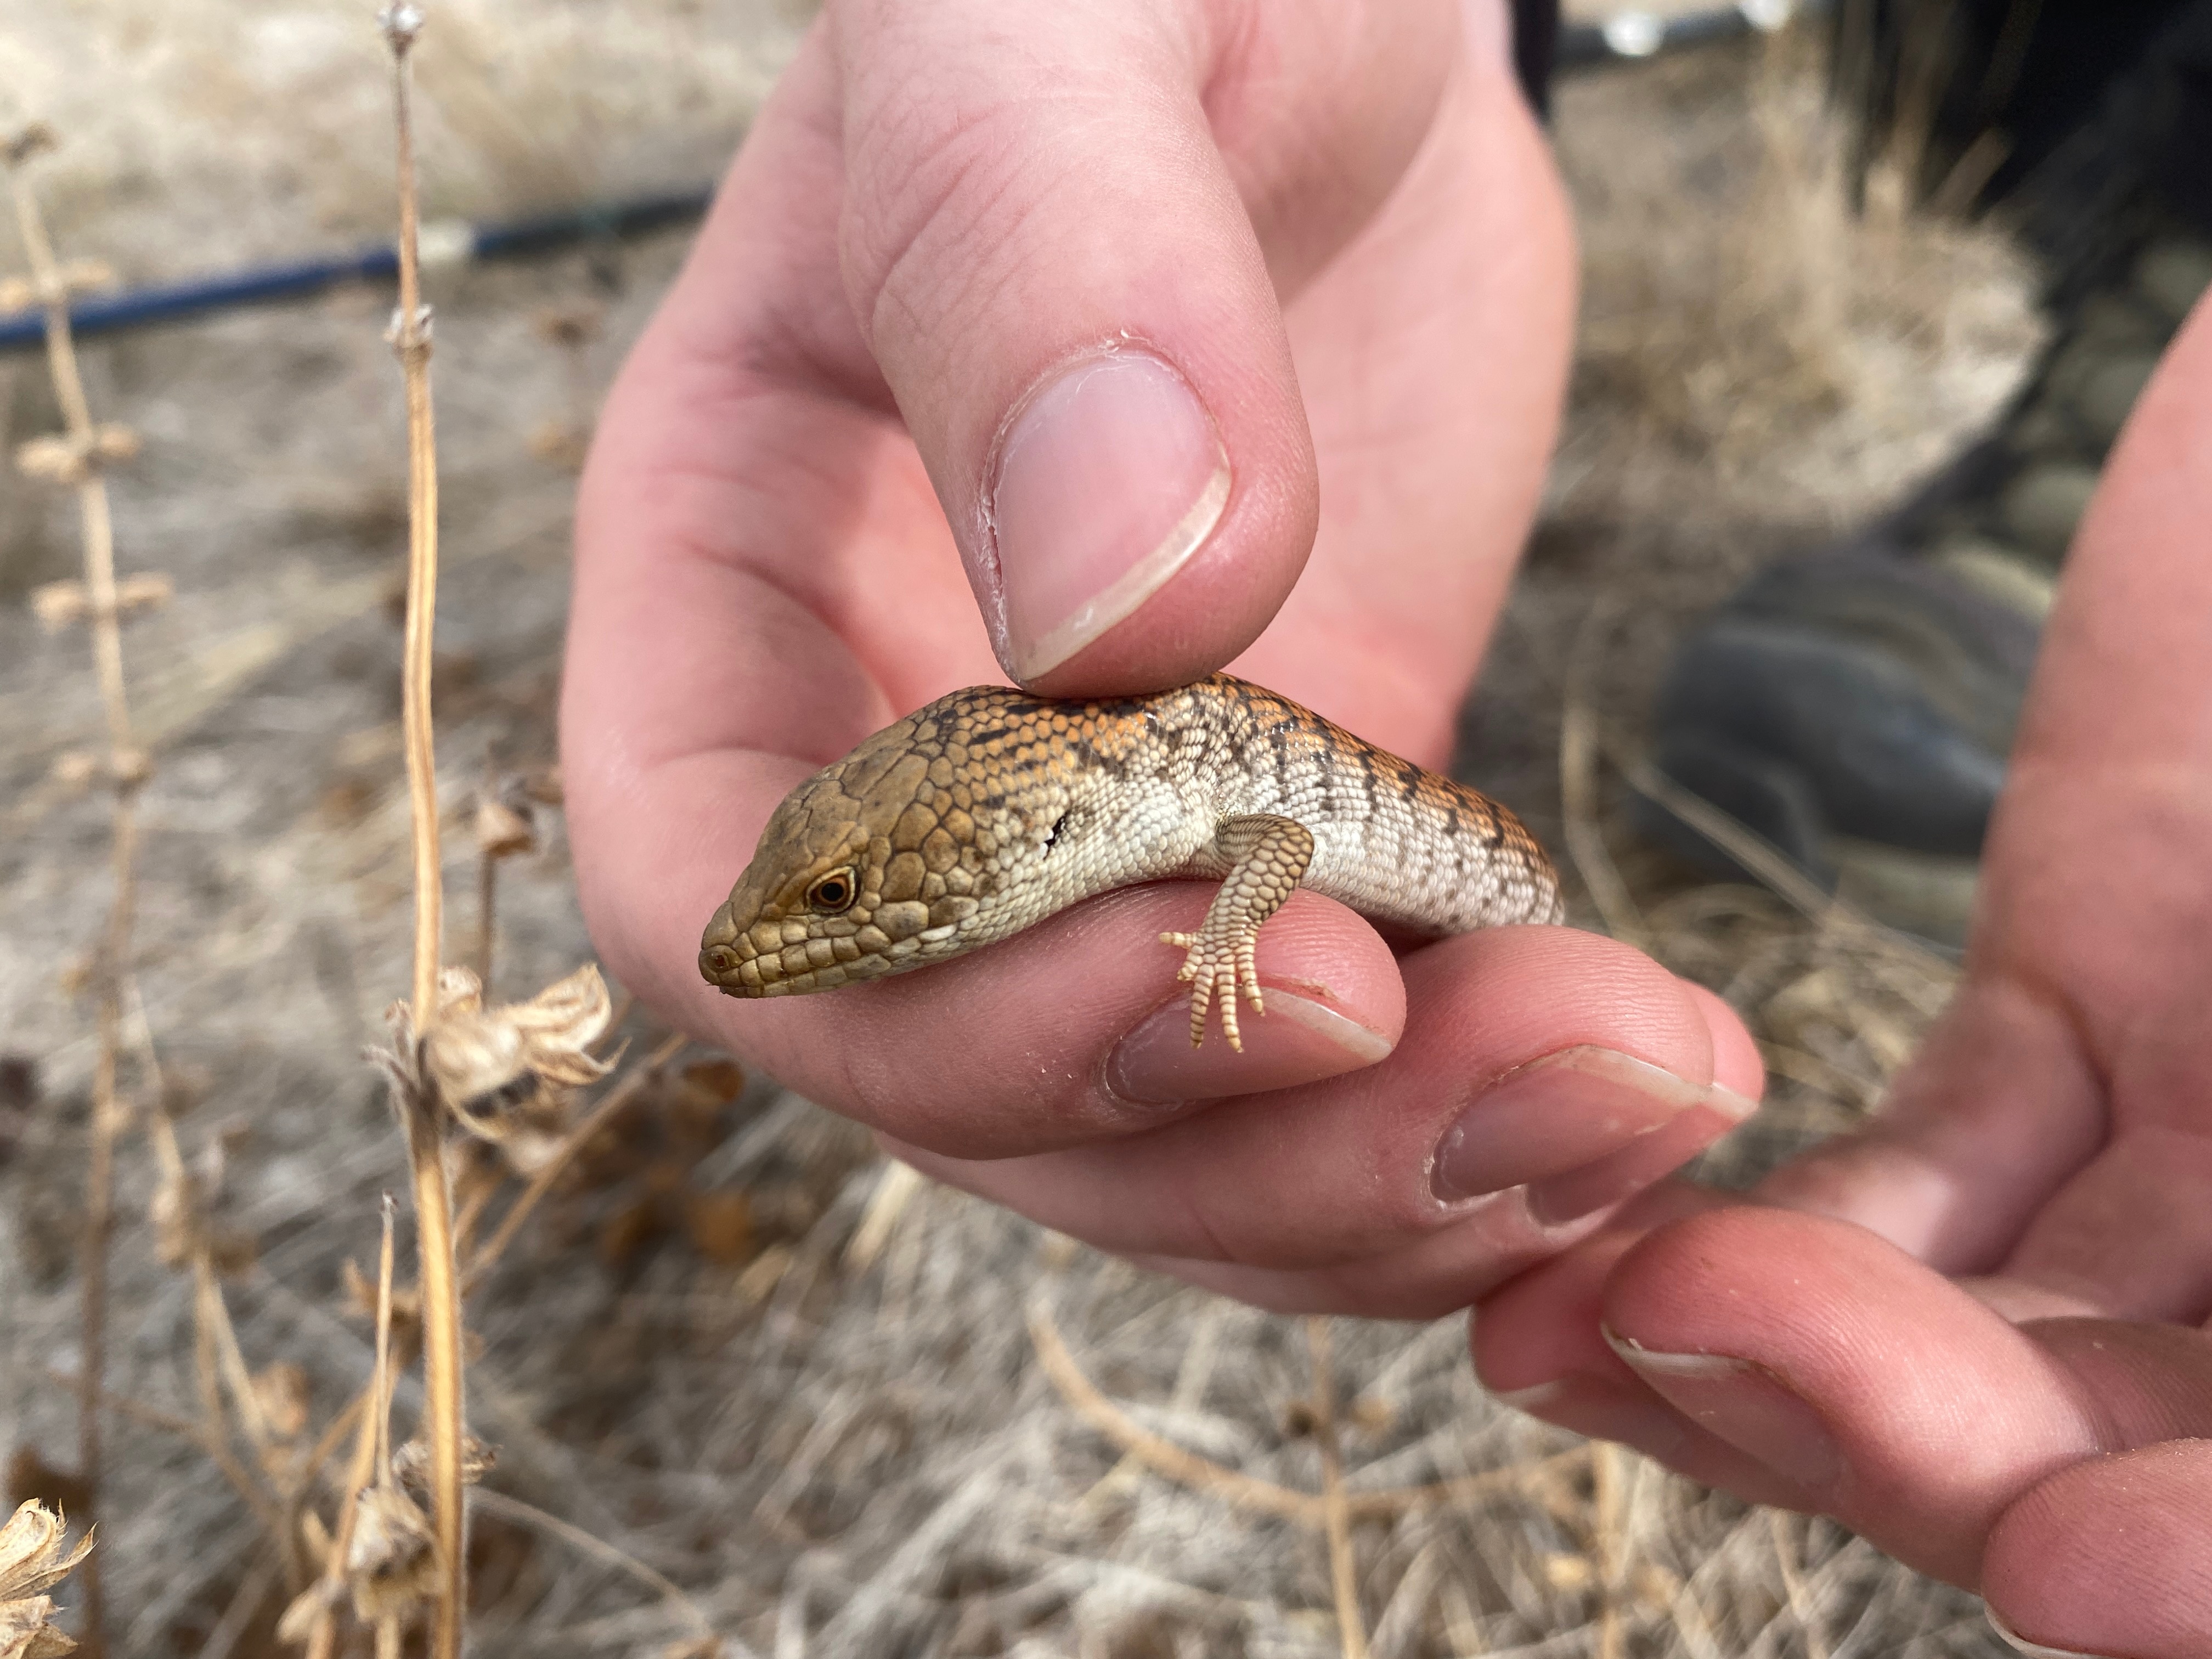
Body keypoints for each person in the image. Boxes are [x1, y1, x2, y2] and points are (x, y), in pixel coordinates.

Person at [560, 3, 2212, 1652]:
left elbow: (1273, 845)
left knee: (1504, 1040)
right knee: (1474, 1069)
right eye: (814, 892)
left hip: (1501, 887)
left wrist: (1227, 937)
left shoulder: (1129, 780)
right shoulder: (1087, 780)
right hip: (1449, 928)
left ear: (975, 846)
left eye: (836, 896)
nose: (773, 940)